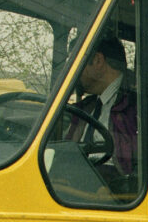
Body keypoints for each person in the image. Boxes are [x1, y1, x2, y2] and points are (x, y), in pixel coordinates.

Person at [59, 33, 138, 179]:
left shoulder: (136, 106)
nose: (71, 73)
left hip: (111, 187)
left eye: (75, 64)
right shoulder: (88, 106)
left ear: (97, 60)